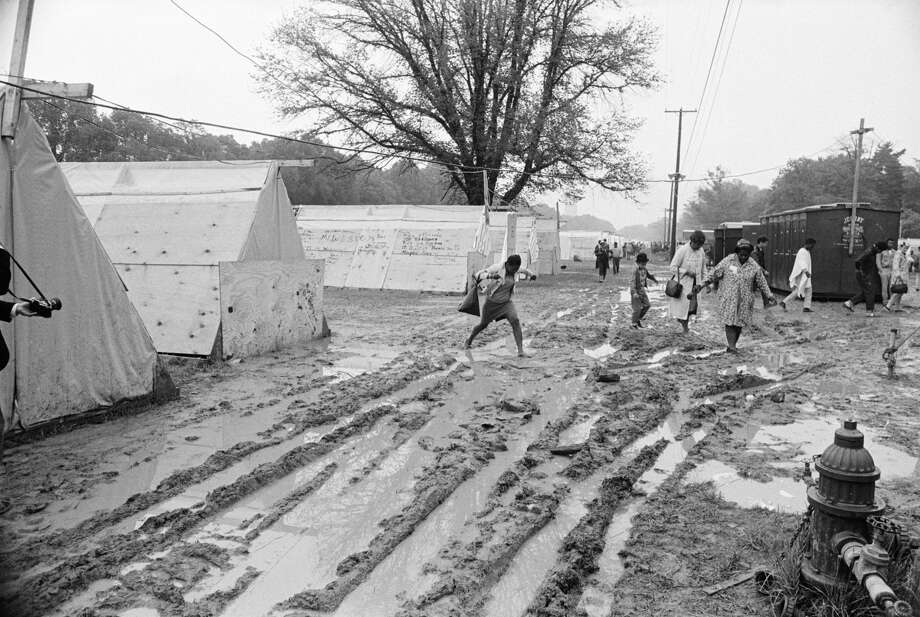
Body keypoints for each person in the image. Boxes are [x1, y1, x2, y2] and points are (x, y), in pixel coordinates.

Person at [700, 238, 776, 353]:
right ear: (737, 252)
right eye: (741, 255)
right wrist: (702, 284)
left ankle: (733, 345)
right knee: (730, 322)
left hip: (745, 300)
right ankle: (731, 346)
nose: (743, 257)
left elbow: (762, 282)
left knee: (739, 323)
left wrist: (769, 295)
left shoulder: (753, 265)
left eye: (746, 255)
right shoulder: (728, 261)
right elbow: (714, 273)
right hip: (729, 298)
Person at [464, 254, 536, 357]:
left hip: (506, 303)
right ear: (508, 264)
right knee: (483, 325)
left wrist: (531, 275)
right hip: (491, 304)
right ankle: (469, 340)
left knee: (515, 321)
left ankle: (520, 351)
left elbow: (525, 270)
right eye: (513, 269)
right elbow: (479, 275)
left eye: (516, 269)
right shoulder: (497, 268)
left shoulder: (516, 269)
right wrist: (491, 276)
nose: (514, 271)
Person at [668, 229, 707, 333]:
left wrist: (706, 283)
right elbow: (672, 267)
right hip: (683, 284)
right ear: (692, 241)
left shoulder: (701, 251)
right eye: (696, 244)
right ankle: (685, 328)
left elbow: (704, 268)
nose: (698, 247)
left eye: (700, 245)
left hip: (696, 285)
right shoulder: (682, 250)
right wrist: (686, 271)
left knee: (692, 308)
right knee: (684, 308)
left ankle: (684, 323)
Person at [843, 241, 886, 317]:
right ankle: (869, 311)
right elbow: (857, 261)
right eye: (880, 250)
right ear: (878, 248)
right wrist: (862, 272)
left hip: (865, 274)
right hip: (864, 275)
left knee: (867, 291)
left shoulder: (872, 251)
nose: (880, 252)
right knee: (870, 291)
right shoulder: (869, 252)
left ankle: (850, 303)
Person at [780, 238, 816, 312]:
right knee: (799, 290)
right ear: (808, 244)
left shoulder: (806, 251)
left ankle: (806, 307)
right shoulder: (802, 251)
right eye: (812, 245)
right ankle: (784, 302)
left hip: (805, 274)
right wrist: (806, 271)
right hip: (802, 274)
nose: (813, 247)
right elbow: (802, 262)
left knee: (808, 289)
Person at [630, 252, 658, 328]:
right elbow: (632, 282)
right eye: (643, 263)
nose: (644, 265)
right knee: (637, 309)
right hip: (636, 291)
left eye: (645, 263)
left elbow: (648, 275)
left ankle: (638, 319)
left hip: (642, 290)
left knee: (647, 305)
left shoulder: (644, 268)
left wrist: (654, 279)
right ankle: (633, 324)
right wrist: (634, 292)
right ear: (639, 262)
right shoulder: (635, 270)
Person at [885, 243, 911, 312]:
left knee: (901, 291)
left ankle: (897, 307)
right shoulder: (898, 254)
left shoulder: (904, 254)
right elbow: (895, 265)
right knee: (897, 291)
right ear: (901, 247)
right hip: (899, 276)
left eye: (907, 247)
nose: (906, 249)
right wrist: (898, 275)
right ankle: (888, 306)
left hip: (903, 275)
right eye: (905, 247)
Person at [876, 238, 897, 306]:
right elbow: (878, 261)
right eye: (889, 243)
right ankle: (885, 301)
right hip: (884, 270)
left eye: (892, 243)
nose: (891, 244)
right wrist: (881, 270)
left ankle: (891, 301)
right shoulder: (881, 252)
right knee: (884, 287)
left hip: (892, 270)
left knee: (892, 287)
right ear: (887, 243)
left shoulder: (895, 252)